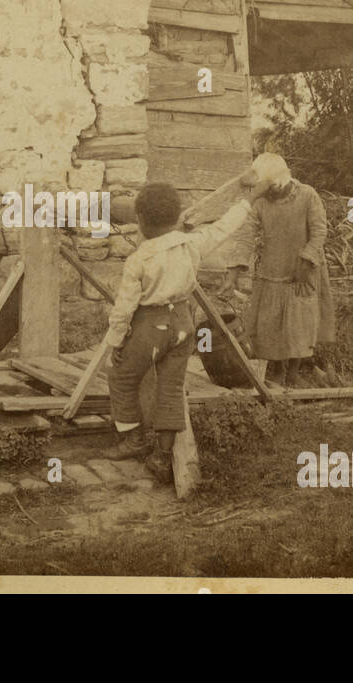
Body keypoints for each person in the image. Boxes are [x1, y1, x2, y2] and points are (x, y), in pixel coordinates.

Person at [102, 180, 265, 483]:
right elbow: (222, 228)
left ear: (139, 221)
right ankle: (163, 456)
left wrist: (116, 341)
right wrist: (247, 202)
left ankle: (134, 439)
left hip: (150, 326)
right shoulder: (192, 243)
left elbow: (124, 309)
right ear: (177, 217)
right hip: (182, 324)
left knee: (121, 376)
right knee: (171, 387)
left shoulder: (139, 259)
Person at [234, 154, 336, 388]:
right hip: (272, 268)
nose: (269, 194)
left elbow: (319, 231)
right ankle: (276, 370)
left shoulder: (307, 195)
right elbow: (246, 234)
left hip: (302, 271)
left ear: (281, 180)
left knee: (300, 324)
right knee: (271, 323)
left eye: (271, 188)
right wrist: (236, 268)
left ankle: (293, 373)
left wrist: (306, 259)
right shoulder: (261, 202)